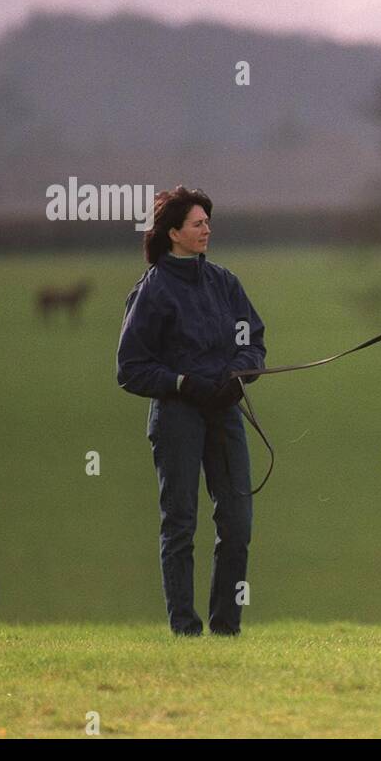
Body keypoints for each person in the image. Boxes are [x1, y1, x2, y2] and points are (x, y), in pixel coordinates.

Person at [115, 186, 266, 636]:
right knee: (180, 525)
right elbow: (131, 369)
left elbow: (252, 340)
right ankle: (185, 628)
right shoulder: (152, 291)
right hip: (177, 417)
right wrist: (183, 383)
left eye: (207, 223)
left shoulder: (225, 282)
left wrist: (237, 373)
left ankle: (226, 629)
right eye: (198, 224)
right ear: (173, 233)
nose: (207, 230)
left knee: (237, 523)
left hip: (225, 412)